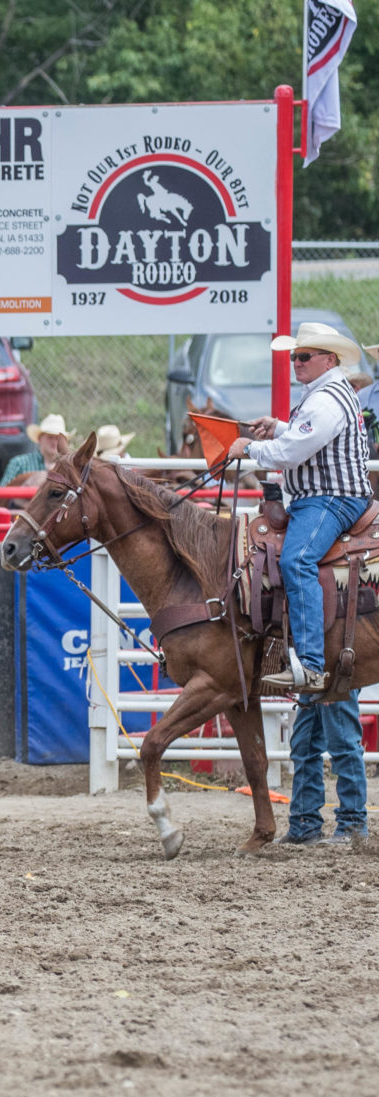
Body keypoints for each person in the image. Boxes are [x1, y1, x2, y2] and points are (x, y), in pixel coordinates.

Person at [228, 321, 375, 692]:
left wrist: (250, 448)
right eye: (294, 356)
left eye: (304, 356)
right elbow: (302, 438)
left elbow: (294, 451)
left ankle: (310, 664)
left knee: (296, 559)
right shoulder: (328, 393)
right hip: (328, 495)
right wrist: (277, 426)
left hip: (331, 498)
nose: (296, 362)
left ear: (329, 359)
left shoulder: (325, 399)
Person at [282, 693, 368, 845]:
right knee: (303, 746)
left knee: (342, 743)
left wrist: (334, 681)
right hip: (314, 680)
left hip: (334, 675)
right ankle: (304, 825)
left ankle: (352, 827)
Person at [3, 414, 71, 488]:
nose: (55, 442)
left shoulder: (67, 468)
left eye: (58, 438)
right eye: (50, 437)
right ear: (39, 439)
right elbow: (1, 495)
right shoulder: (19, 463)